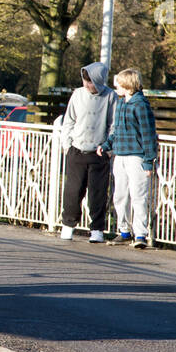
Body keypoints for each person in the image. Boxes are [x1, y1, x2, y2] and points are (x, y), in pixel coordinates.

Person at [98, 68, 158, 249]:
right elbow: (117, 130)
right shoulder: (122, 103)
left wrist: (149, 160)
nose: (115, 87)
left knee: (138, 195)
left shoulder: (141, 105)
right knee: (120, 195)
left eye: (119, 84)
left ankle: (140, 234)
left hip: (136, 157)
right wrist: (106, 145)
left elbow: (148, 134)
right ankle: (124, 231)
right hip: (120, 155)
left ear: (128, 85)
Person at [59, 61, 117, 243]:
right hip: (77, 150)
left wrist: (108, 148)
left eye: (90, 81)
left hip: (99, 152)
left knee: (98, 192)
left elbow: (113, 124)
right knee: (73, 190)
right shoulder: (77, 94)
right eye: (85, 80)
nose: (87, 84)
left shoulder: (111, 97)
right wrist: (67, 144)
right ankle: (68, 225)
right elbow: (69, 120)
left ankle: (97, 229)